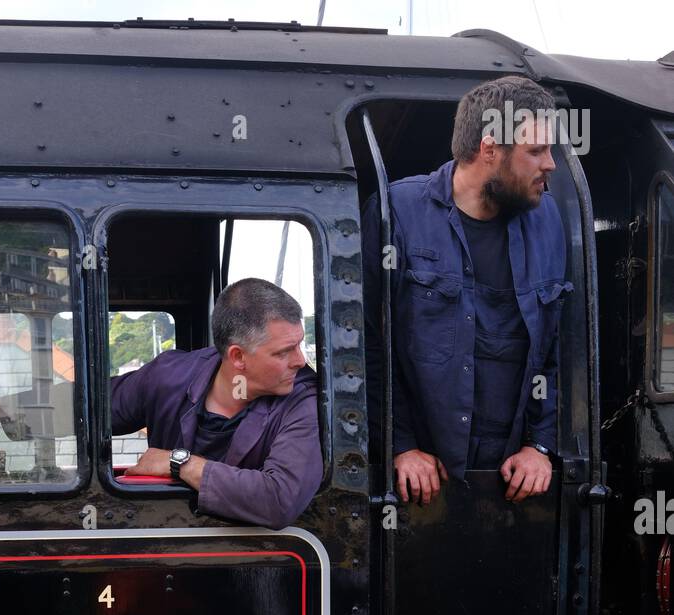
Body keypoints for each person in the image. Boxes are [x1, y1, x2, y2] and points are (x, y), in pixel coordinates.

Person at [365, 76, 571, 505]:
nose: (550, 164)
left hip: (511, 482)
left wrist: (540, 445)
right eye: (536, 151)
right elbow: (367, 344)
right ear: (490, 150)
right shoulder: (396, 213)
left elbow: (554, 350)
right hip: (418, 481)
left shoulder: (548, 219)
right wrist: (399, 445)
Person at [113, 278, 322, 529]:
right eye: (284, 352)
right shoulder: (168, 376)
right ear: (238, 356)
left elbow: (279, 500)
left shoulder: (304, 398)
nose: (300, 361)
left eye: (299, 344)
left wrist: (180, 463)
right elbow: (78, 407)